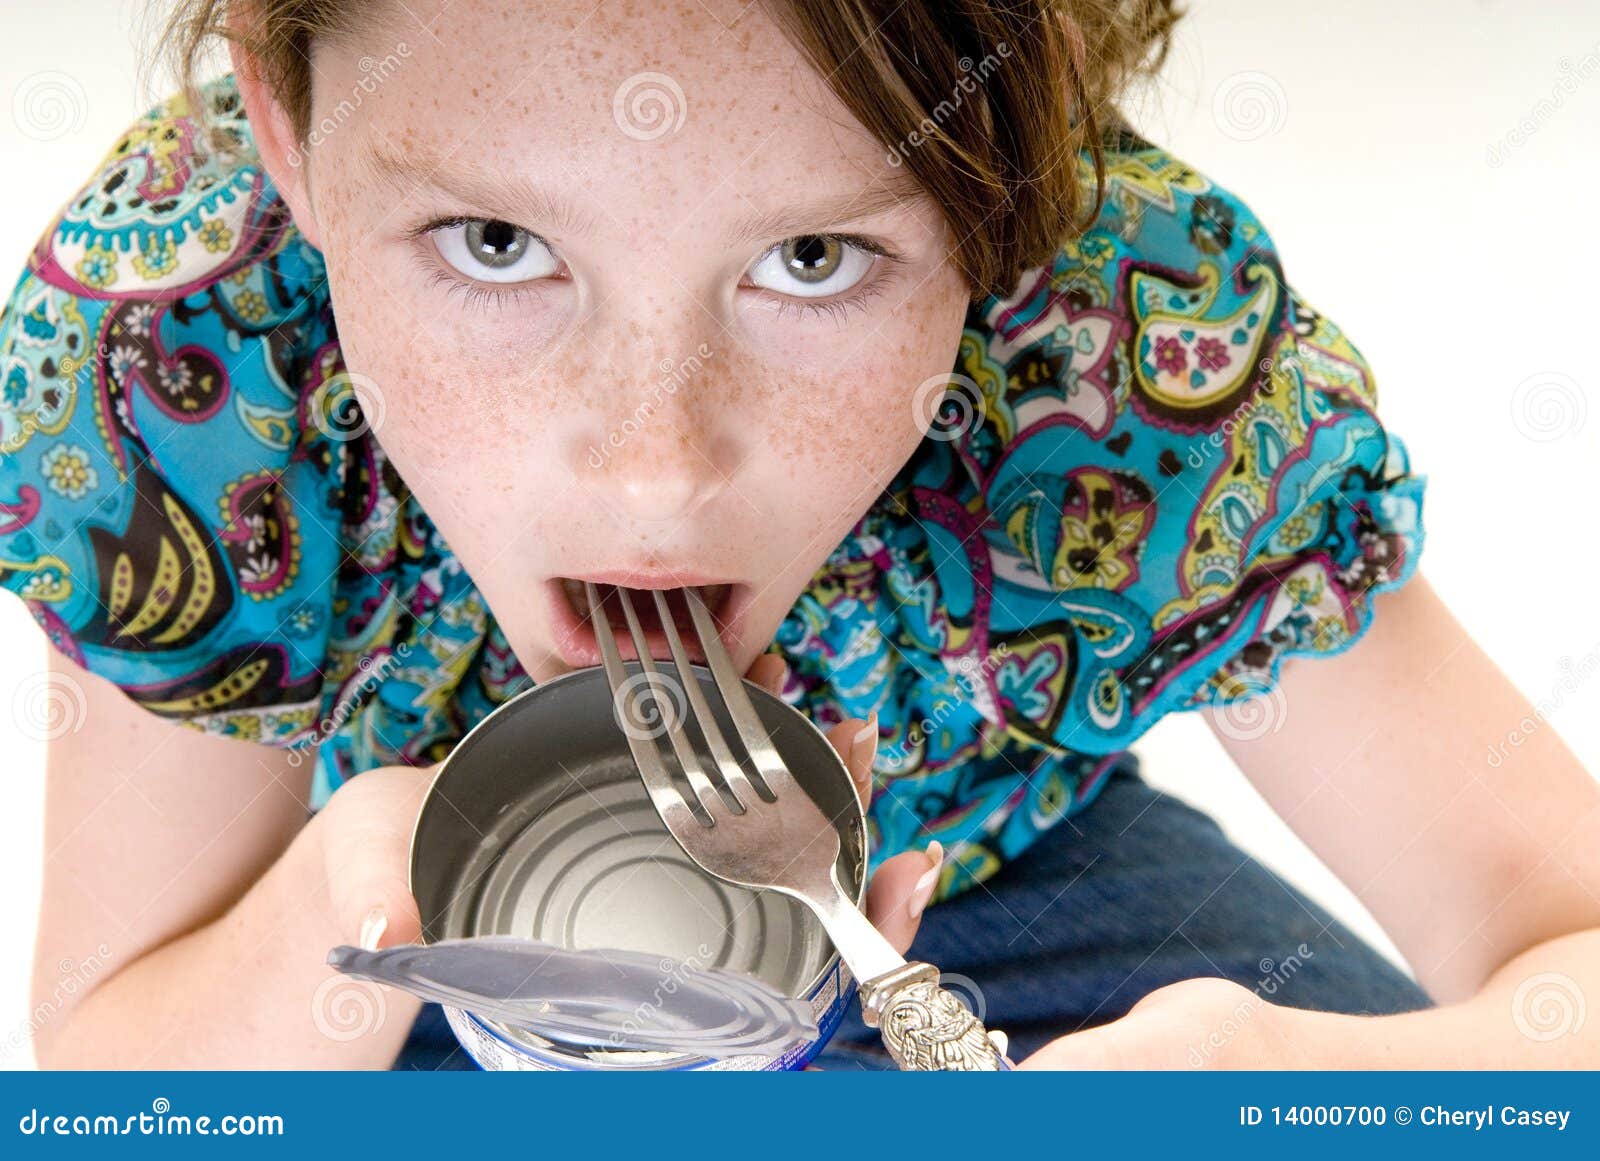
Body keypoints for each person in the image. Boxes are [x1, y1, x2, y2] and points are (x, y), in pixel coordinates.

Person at [3, 0, 1596, 1070]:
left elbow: (1565, 954)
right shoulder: (195, 366)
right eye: (494, 243)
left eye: (818, 256)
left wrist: (1278, 1075)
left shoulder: (1126, 353)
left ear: (1003, 198)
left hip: (1012, 898)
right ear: (287, 133)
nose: (653, 474)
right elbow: (99, 1090)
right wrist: (337, 914)